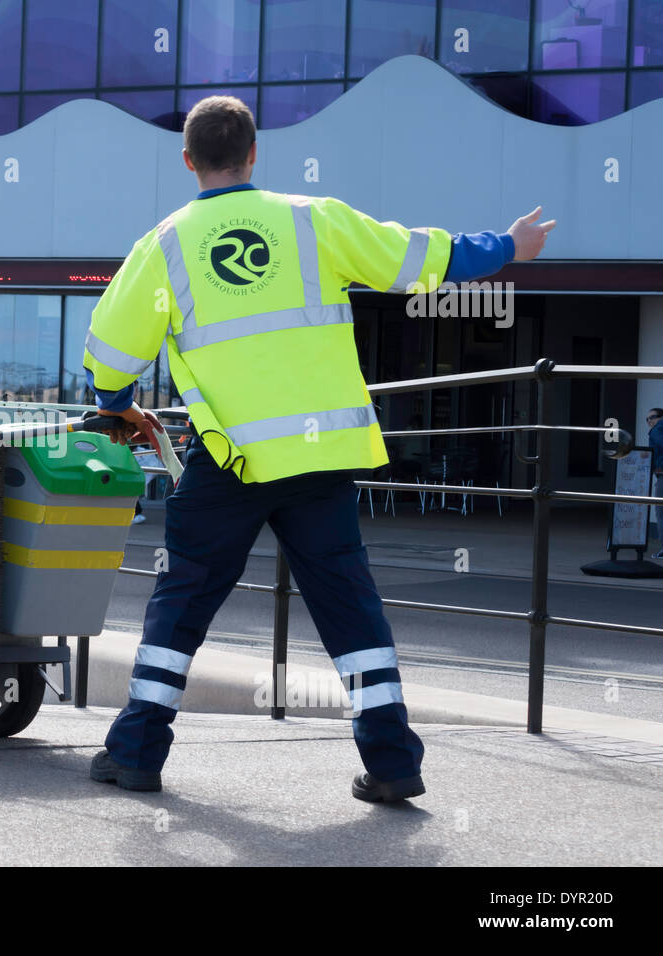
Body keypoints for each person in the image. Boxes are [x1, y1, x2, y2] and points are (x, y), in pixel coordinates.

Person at [83, 95, 556, 801]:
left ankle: (137, 753)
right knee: (348, 605)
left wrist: (120, 406)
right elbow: (422, 259)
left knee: (182, 601)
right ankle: (392, 763)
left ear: (188, 161)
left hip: (232, 460)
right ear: (253, 153)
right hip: (319, 459)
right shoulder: (313, 220)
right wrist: (509, 246)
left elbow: (112, 357)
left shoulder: (166, 243)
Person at [648, 408, 663, 558]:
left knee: (660, 512)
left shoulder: (656, 430)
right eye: (647, 419)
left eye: (653, 417)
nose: (649, 421)